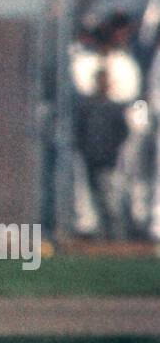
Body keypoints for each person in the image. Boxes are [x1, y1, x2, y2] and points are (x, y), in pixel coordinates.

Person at [74, 67, 128, 240]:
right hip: (91, 158)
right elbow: (80, 131)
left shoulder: (114, 107)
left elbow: (122, 133)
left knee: (110, 197)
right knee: (92, 197)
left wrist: (114, 153)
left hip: (109, 160)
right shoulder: (87, 106)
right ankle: (100, 233)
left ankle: (117, 234)